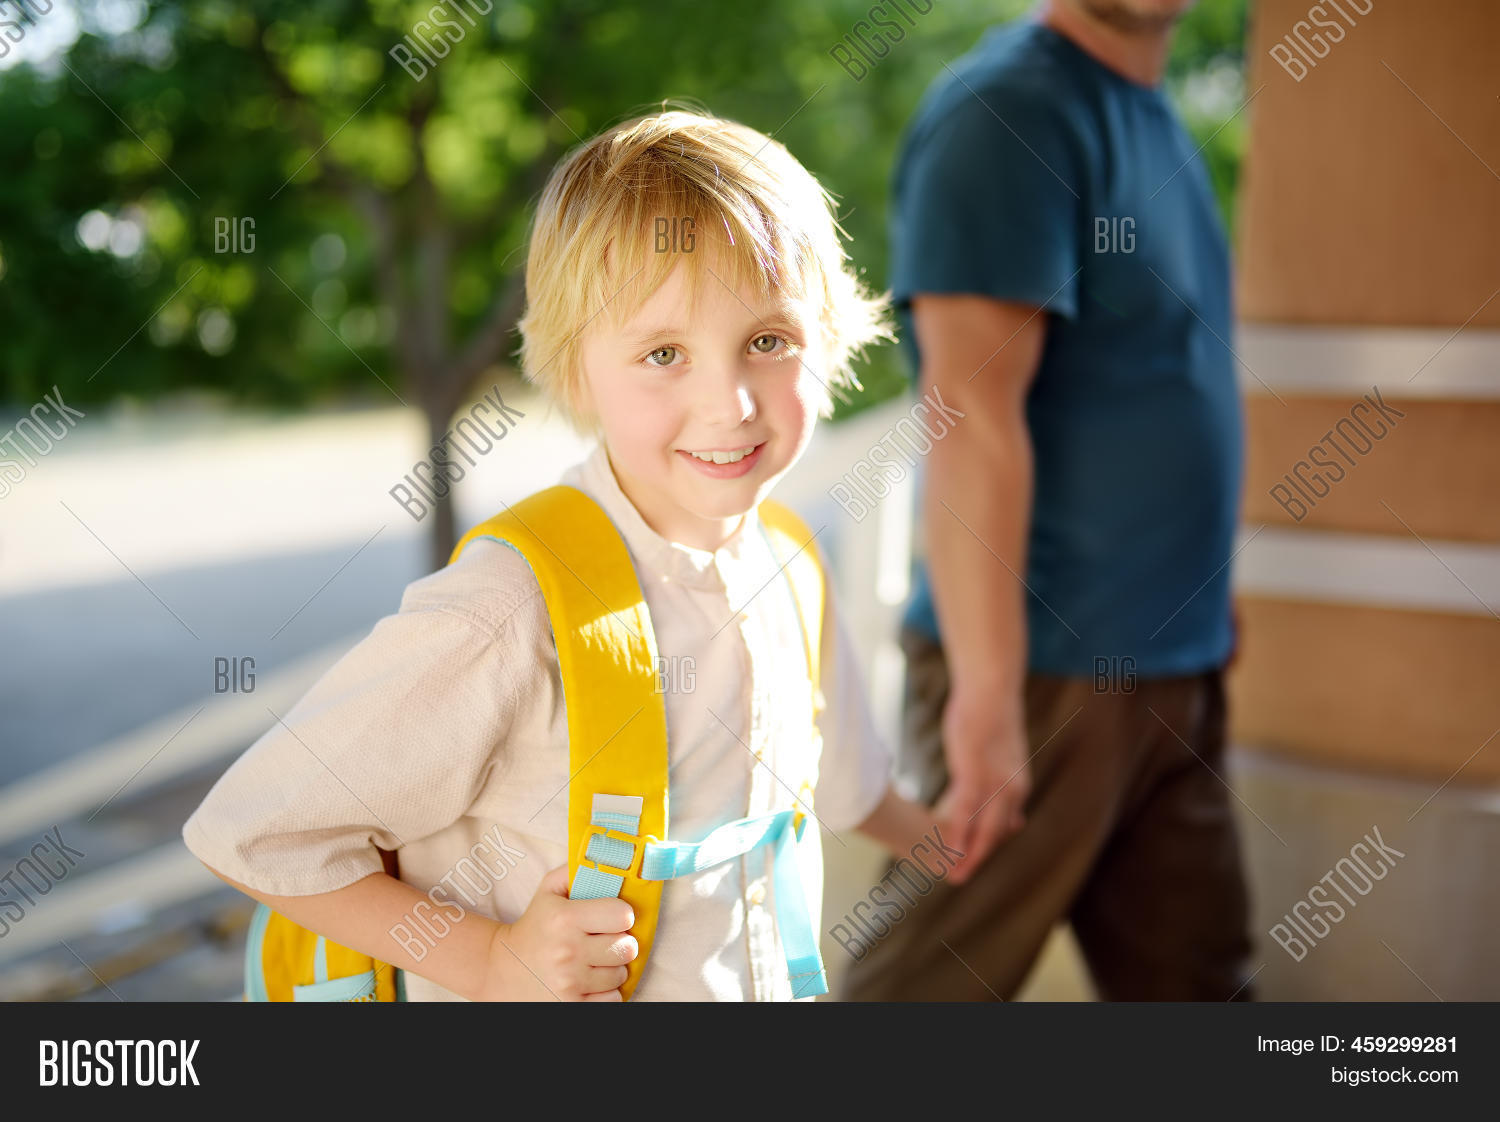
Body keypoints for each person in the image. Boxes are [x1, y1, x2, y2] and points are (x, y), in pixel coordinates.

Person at [183, 108, 939, 1002]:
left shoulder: (790, 561)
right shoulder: (512, 606)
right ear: (576, 371)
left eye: (769, 341)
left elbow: (843, 780)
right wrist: (489, 961)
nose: (731, 403)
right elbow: (253, 831)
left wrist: (945, 836)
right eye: (664, 352)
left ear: (830, 337)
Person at [841, 0, 1258, 1001]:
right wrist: (986, 697)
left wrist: (1203, 593)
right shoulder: (1006, 113)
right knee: (915, 1005)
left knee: (1203, 995)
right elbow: (969, 411)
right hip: (1040, 681)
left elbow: (1157, 384)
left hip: (1173, 670)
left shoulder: (1158, 120)